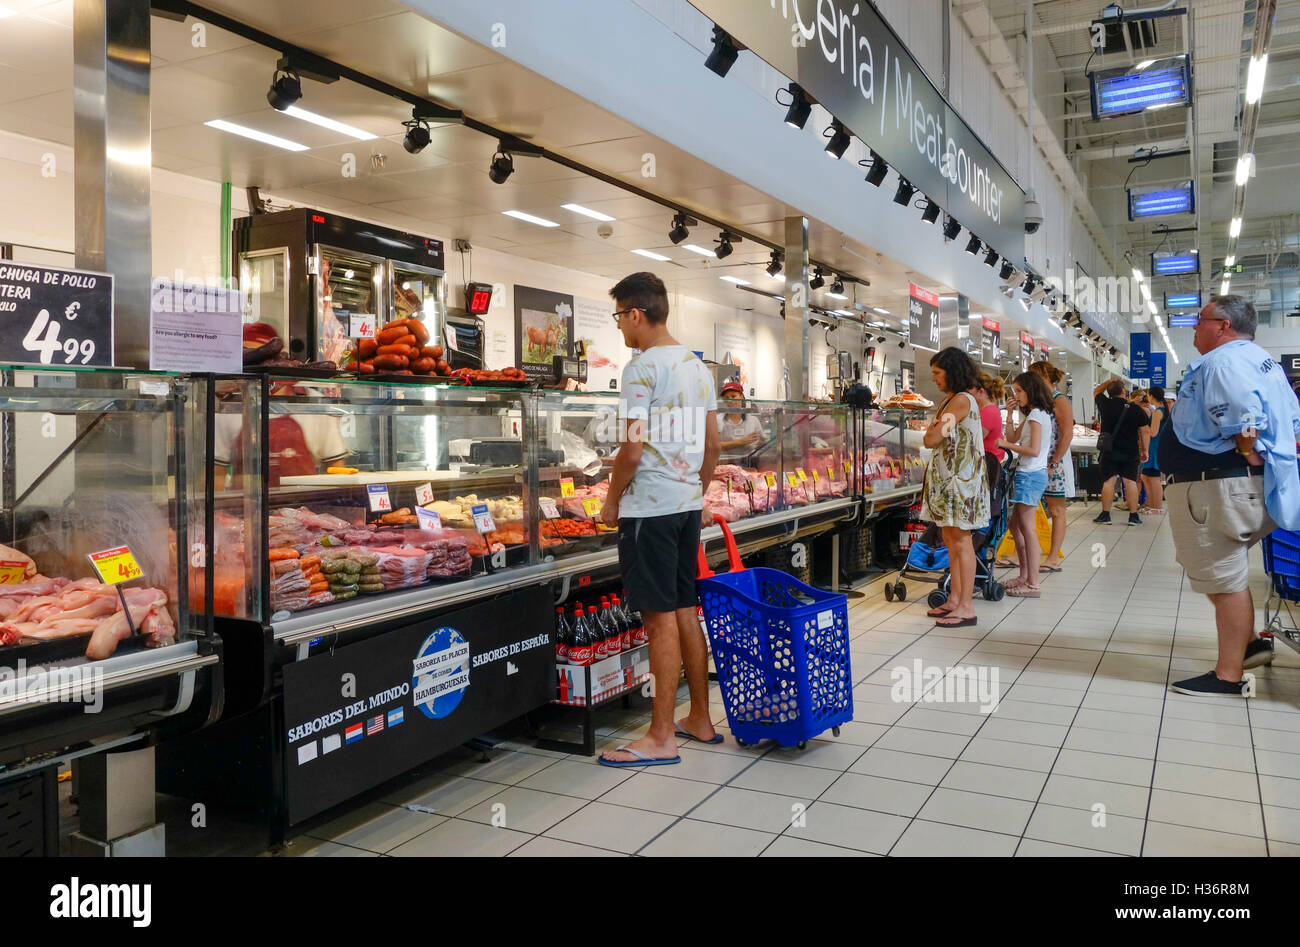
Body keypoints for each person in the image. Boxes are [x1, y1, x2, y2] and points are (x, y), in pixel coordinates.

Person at [598, 272, 722, 763]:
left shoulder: (641, 369)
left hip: (649, 509)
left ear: (635, 314)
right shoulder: (697, 365)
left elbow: (631, 449)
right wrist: (695, 489)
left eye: (619, 317)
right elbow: (711, 445)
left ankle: (661, 736)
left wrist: (611, 501)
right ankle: (701, 720)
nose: (621, 329)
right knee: (685, 608)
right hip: (685, 506)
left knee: (658, 620)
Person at [1165, 296, 1300, 696]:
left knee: (1224, 580)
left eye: (1200, 320)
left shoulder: (1223, 361)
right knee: (1225, 575)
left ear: (1223, 325)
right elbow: (1291, 418)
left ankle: (1229, 676)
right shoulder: (1263, 361)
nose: (1194, 328)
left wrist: (1246, 449)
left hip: (1218, 486)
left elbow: (1243, 415)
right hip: (1235, 485)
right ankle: (1246, 645)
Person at [920, 348, 989, 627]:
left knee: (961, 541)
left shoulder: (961, 400)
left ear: (952, 371)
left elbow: (932, 438)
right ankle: (955, 599)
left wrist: (933, 430)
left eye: (938, 373)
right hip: (951, 482)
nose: (934, 378)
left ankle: (966, 607)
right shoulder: (952, 400)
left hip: (961, 483)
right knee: (951, 539)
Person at [997, 372, 1055, 597]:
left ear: (1031, 390)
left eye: (1019, 391)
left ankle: (1033, 584)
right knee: (1015, 525)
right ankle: (1024, 576)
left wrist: (1003, 444)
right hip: (1028, 474)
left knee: (1028, 529)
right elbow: (1013, 438)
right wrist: (1010, 413)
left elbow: (1033, 450)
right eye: (1014, 391)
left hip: (1030, 475)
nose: (1016, 395)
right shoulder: (1032, 414)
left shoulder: (1037, 415)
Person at [1029, 360, 1074, 572]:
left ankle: (1053, 557)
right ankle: (1028, 553)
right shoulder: (1042, 401)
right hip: (1038, 462)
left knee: (1056, 510)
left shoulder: (1059, 400)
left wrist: (1055, 461)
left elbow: (1067, 434)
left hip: (1053, 464)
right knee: (1029, 508)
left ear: (1045, 377)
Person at [1091, 378, 1149, 525]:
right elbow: (1145, 431)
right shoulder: (1135, 409)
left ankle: (1105, 515)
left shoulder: (1105, 404)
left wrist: (1110, 380)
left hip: (1109, 450)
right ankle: (1133, 516)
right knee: (1130, 482)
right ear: (1124, 391)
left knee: (1109, 481)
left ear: (1110, 392)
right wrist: (1145, 450)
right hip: (1130, 451)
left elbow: (1097, 391)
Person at [715, 380, 763, 463]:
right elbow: (715, 445)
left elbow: (762, 442)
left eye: (733, 396)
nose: (730, 400)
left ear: (741, 397)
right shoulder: (718, 419)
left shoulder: (753, 420)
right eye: (726, 398)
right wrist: (740, 442)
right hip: (725, 464)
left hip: (749, 463)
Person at [1139, 385, 1166, 515]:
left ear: (1152, 396)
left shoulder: (1158, 412)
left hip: (1155, 447)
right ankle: (1150, 503)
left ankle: (1158, 506)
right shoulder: (1159, 410)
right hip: (1152, 446)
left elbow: (1154, 432)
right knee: (1146, 476)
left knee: (1154, 478)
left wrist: (1143, 430)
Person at [975, 373, 1005, 463]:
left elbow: (974, 440)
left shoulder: (988, 412)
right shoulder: (988, 409)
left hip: (988, 462)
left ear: (981, 391)